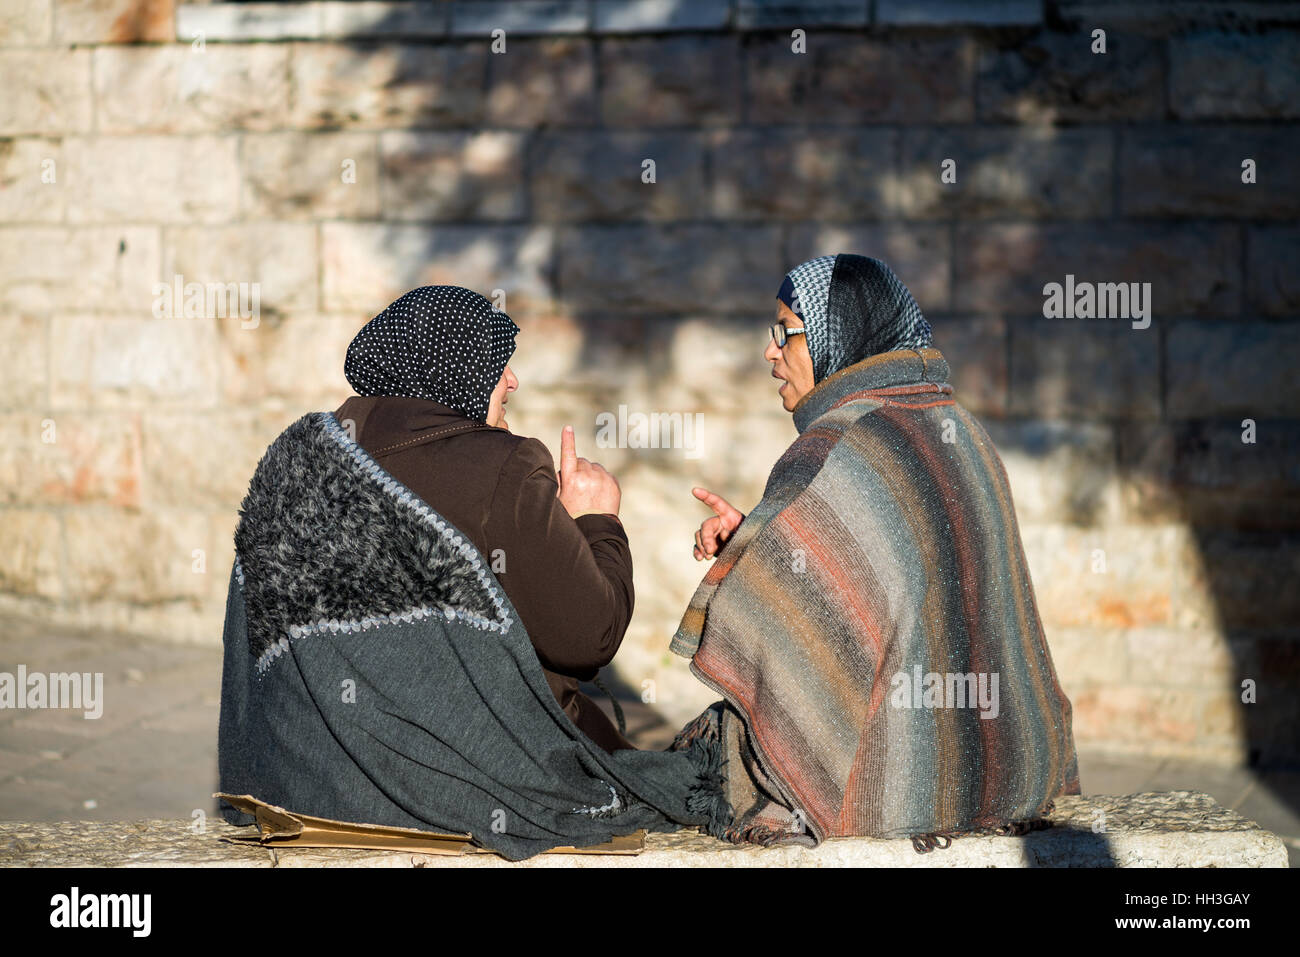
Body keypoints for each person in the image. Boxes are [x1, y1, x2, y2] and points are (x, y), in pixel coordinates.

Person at [217, 285, 730, 860]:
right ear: (456, 369)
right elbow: (590, 635)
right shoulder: (502, 467)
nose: (511, 380)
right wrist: (596, 519)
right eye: (497, 362)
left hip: (300, 789)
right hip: (468, 792)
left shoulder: (298, 461)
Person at [669, 254, 1081, 851]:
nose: (769, 352)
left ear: (839, 337)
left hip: (901, 782)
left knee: (694, 770)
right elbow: (875, 580)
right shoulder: (958, 427)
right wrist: (760, 547)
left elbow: (791, 638)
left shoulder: (838, 442)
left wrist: (747, 572)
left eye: (785, 332)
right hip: (1016, 764)